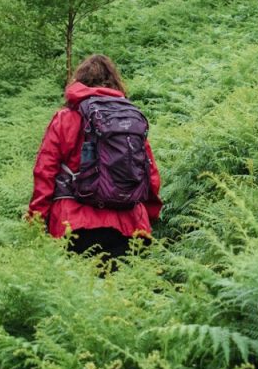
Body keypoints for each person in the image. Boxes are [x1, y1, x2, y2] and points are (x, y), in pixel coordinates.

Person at [28, 54, 161, 262]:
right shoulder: (130, 118)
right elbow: (149, 172)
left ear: (79, 81)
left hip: (74, 225)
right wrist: (150, 215)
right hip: (130, 226)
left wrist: (36, 221)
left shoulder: (65, 118)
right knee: (123, 292)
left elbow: (45, 171)